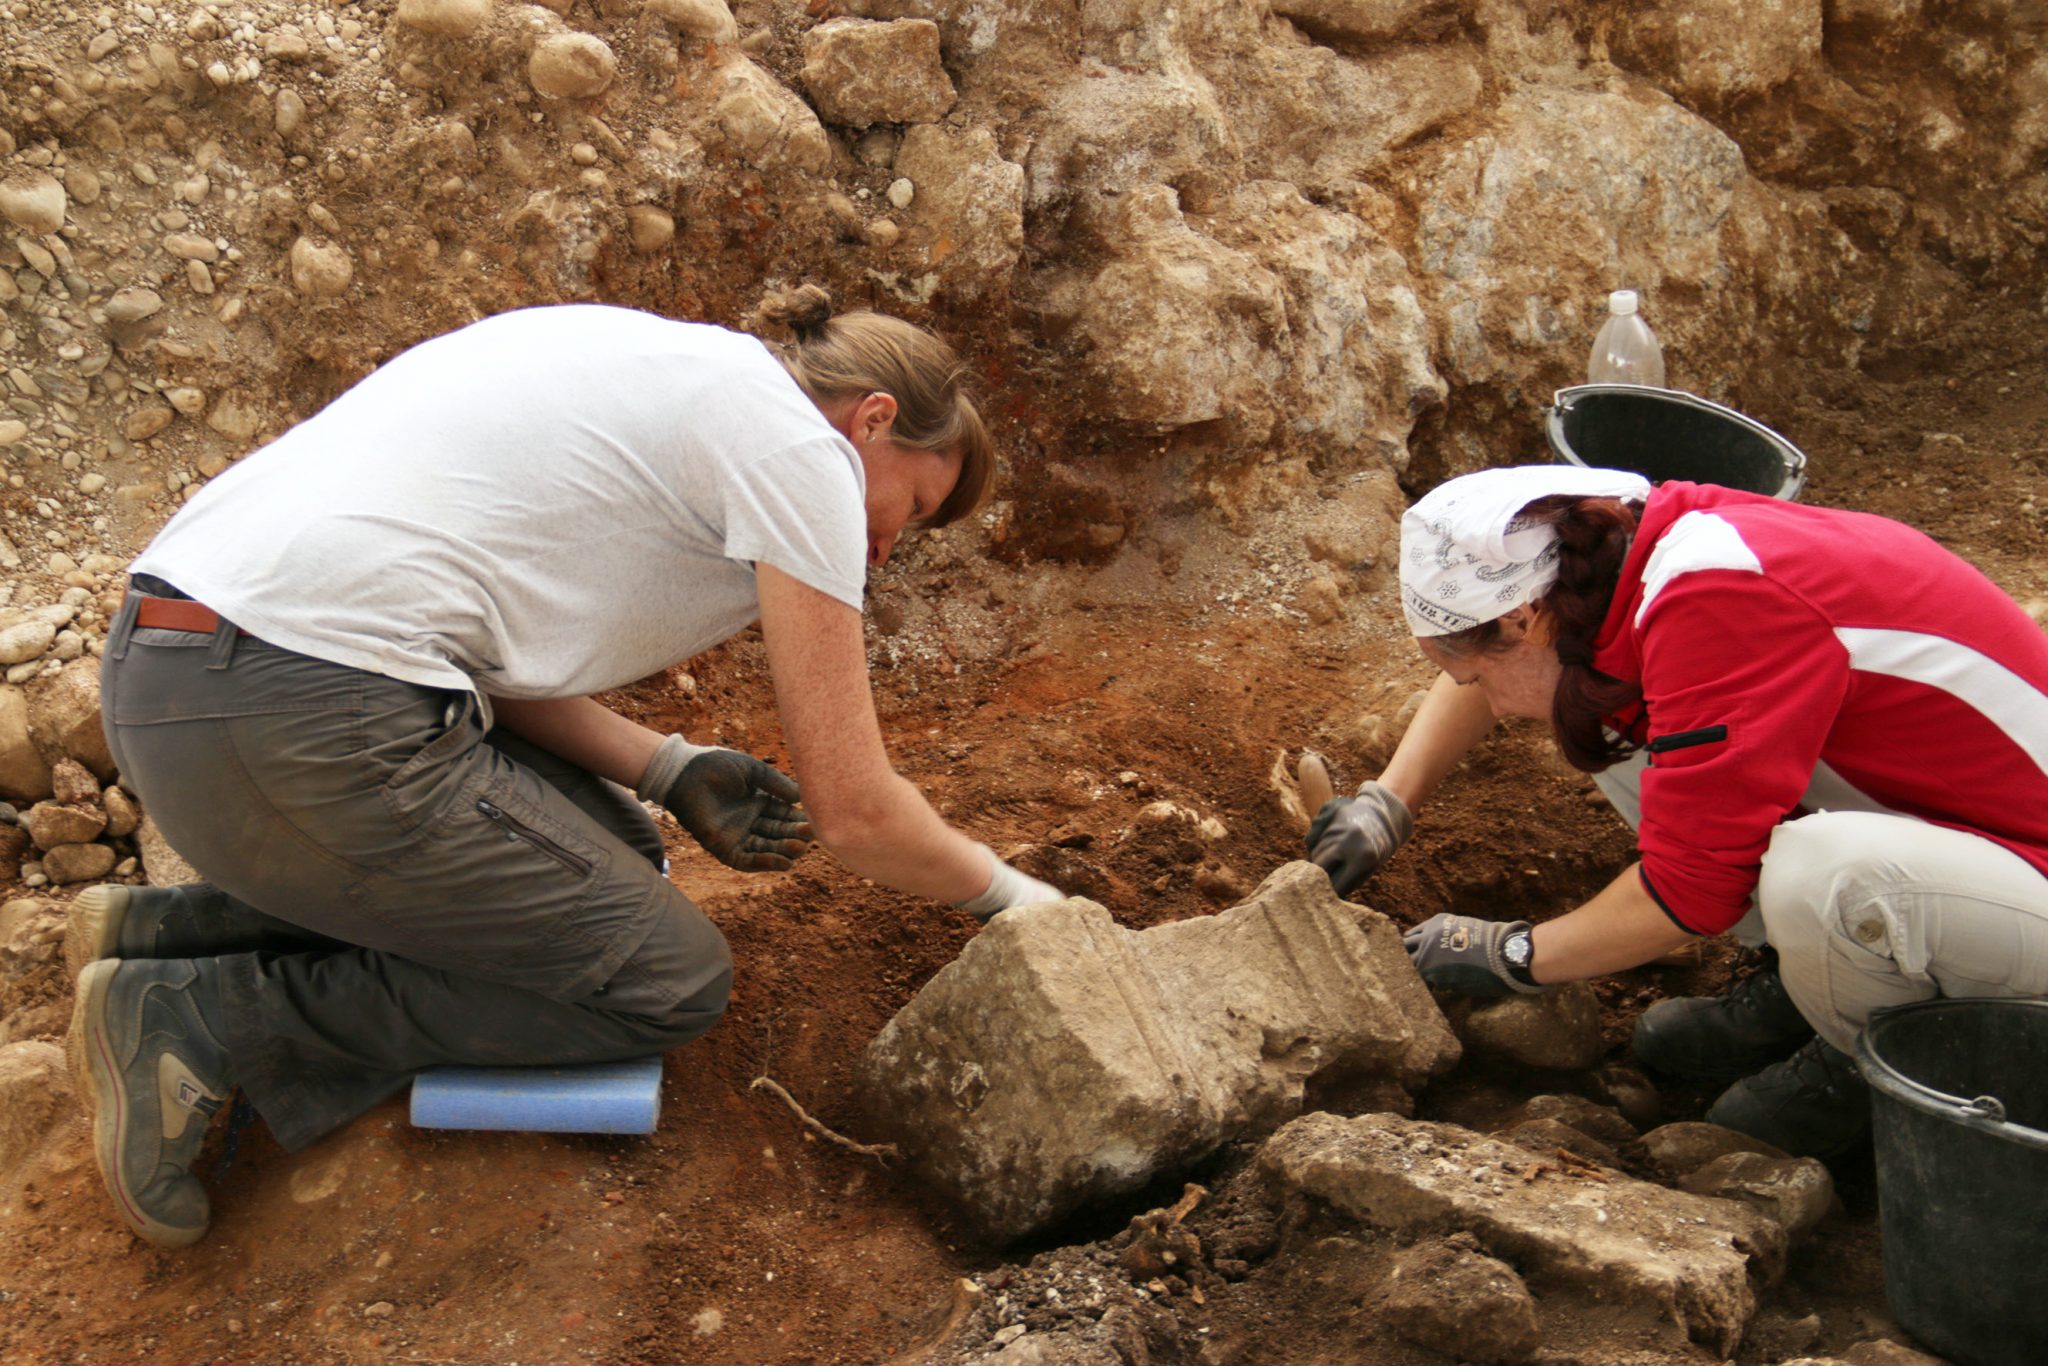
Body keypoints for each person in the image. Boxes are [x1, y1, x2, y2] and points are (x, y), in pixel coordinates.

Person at [68, 288, 1064, 1247]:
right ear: (873, 420)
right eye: (915, 502)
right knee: (659, 980)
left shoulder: (666, 368)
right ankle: (210, 1018)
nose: (886, 548)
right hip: (279, 717)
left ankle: (178, 931)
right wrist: (1020, 901)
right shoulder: (802, 451)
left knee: (616, 848)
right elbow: (853, 811)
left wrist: (666, 768)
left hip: (181, 682)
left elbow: (460, 643)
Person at [1308, 464, 2048, 1157]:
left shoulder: (1722, 606)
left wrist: (1512, 955)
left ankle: (1872, 1058)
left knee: (1824, 877)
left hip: (2028, 878)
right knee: (1605, 716)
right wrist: (1386, 803)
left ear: (1527, 616)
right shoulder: (1632, 561)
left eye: (1475, 674)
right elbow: (1498, 661)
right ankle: (1810, 982)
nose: (1488, 703)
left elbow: (1691, 888)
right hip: (1970, 838)